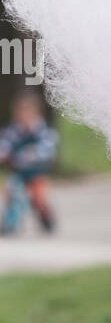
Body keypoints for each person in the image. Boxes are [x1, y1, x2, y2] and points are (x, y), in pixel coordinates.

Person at [0, 90, 59, 235]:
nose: (22, 116)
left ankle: (46, 218)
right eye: (19, 112)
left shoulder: (42, 131)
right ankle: (10, 223)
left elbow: (48, 150)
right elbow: (5, 145)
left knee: (38, 197)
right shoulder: (14, 131)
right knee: (12, 192)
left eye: (26, 112)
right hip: (19, 172)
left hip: (37, 172)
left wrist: (28, 155)